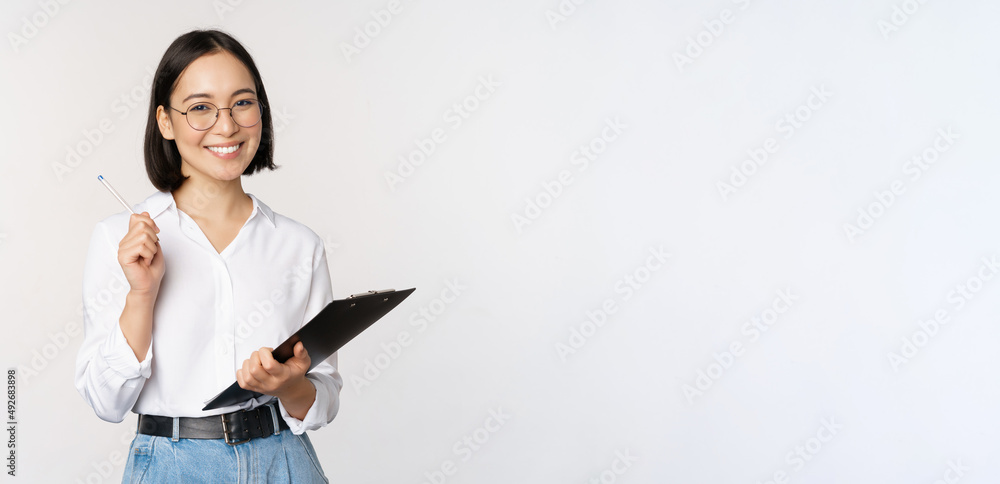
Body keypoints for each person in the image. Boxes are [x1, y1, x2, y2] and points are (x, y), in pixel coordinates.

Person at [74, 29, 339, 483]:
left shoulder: (300, 245)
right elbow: (106, 402)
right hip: (172, 467)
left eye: (242, 102)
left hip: (286, 463)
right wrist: (141, 294)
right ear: (165, 122)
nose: (227, 125)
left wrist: (289, 384)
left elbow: (325, 398)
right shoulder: (120, 239)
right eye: (200, 108)